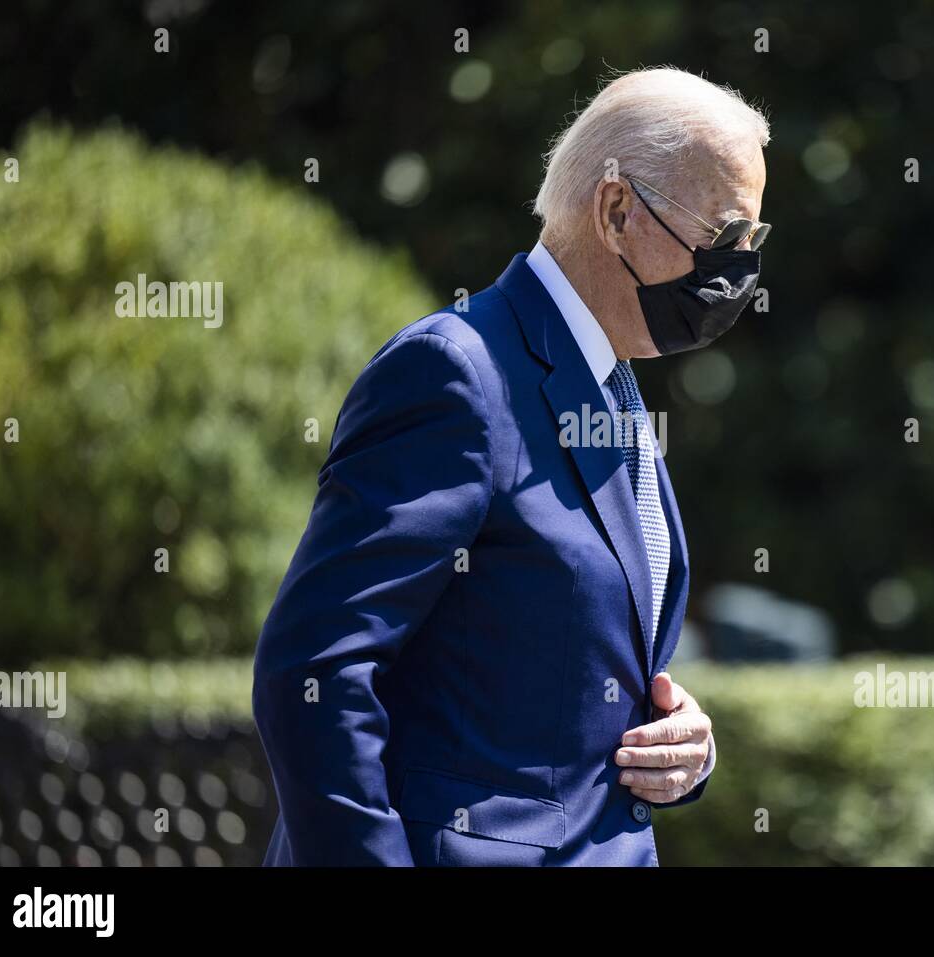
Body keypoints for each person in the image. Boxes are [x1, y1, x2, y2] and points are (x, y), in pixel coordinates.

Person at [253, 66, 770, 865]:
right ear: (617, 208)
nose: (737, 269)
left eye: (751, 243)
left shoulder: (612, 383)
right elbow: (314, 672)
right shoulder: (455, 373)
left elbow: (574, 666)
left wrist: (683, 749)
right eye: (723, 236)